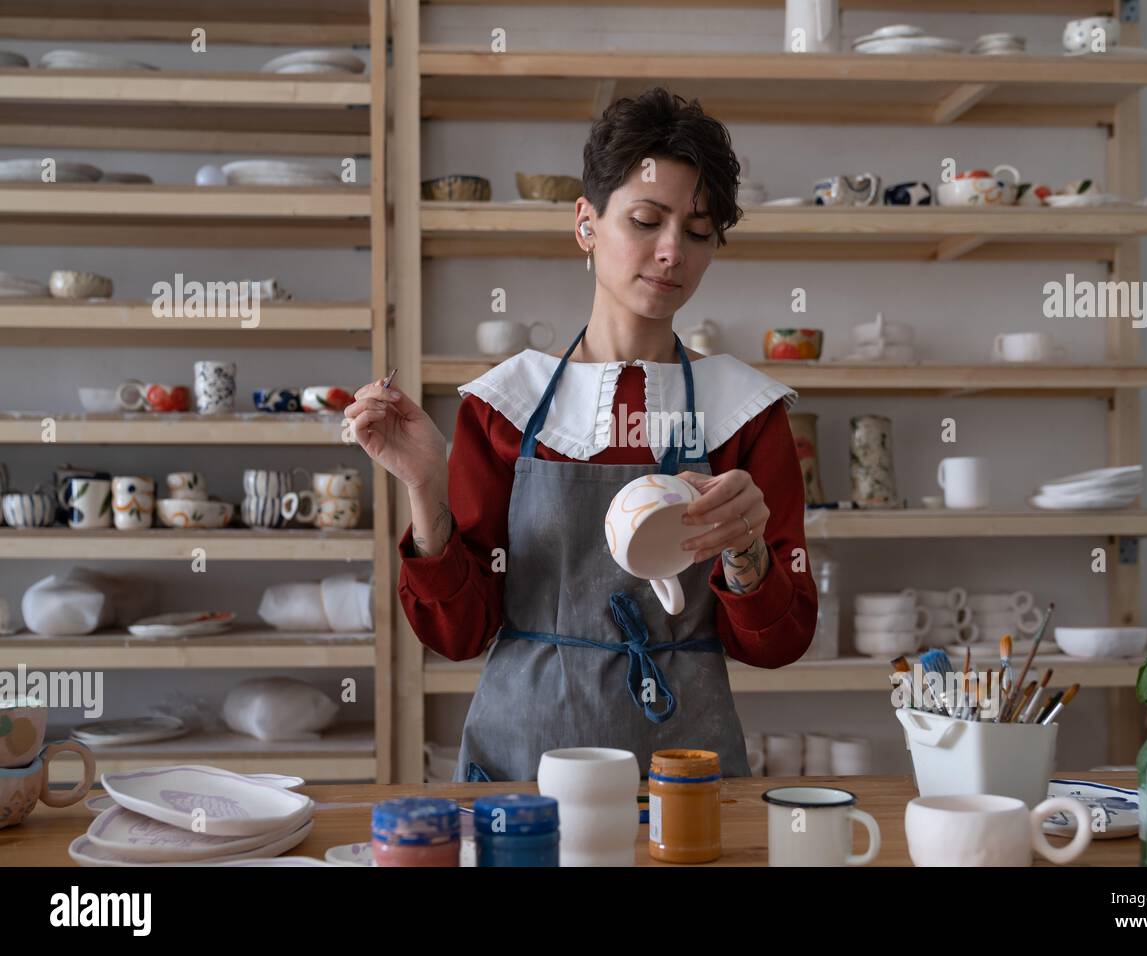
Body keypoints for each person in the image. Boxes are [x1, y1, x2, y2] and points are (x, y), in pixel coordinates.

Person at [347, 86, 817, 781]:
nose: (670, 252)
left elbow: (778, 643)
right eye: (645, 220)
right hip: (524, 774)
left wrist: (746, 552)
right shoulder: (508, 403)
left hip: (682, 778)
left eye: (696, 231)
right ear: (586, 223)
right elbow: (458, 633)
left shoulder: (743, 411)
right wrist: (426, 488)